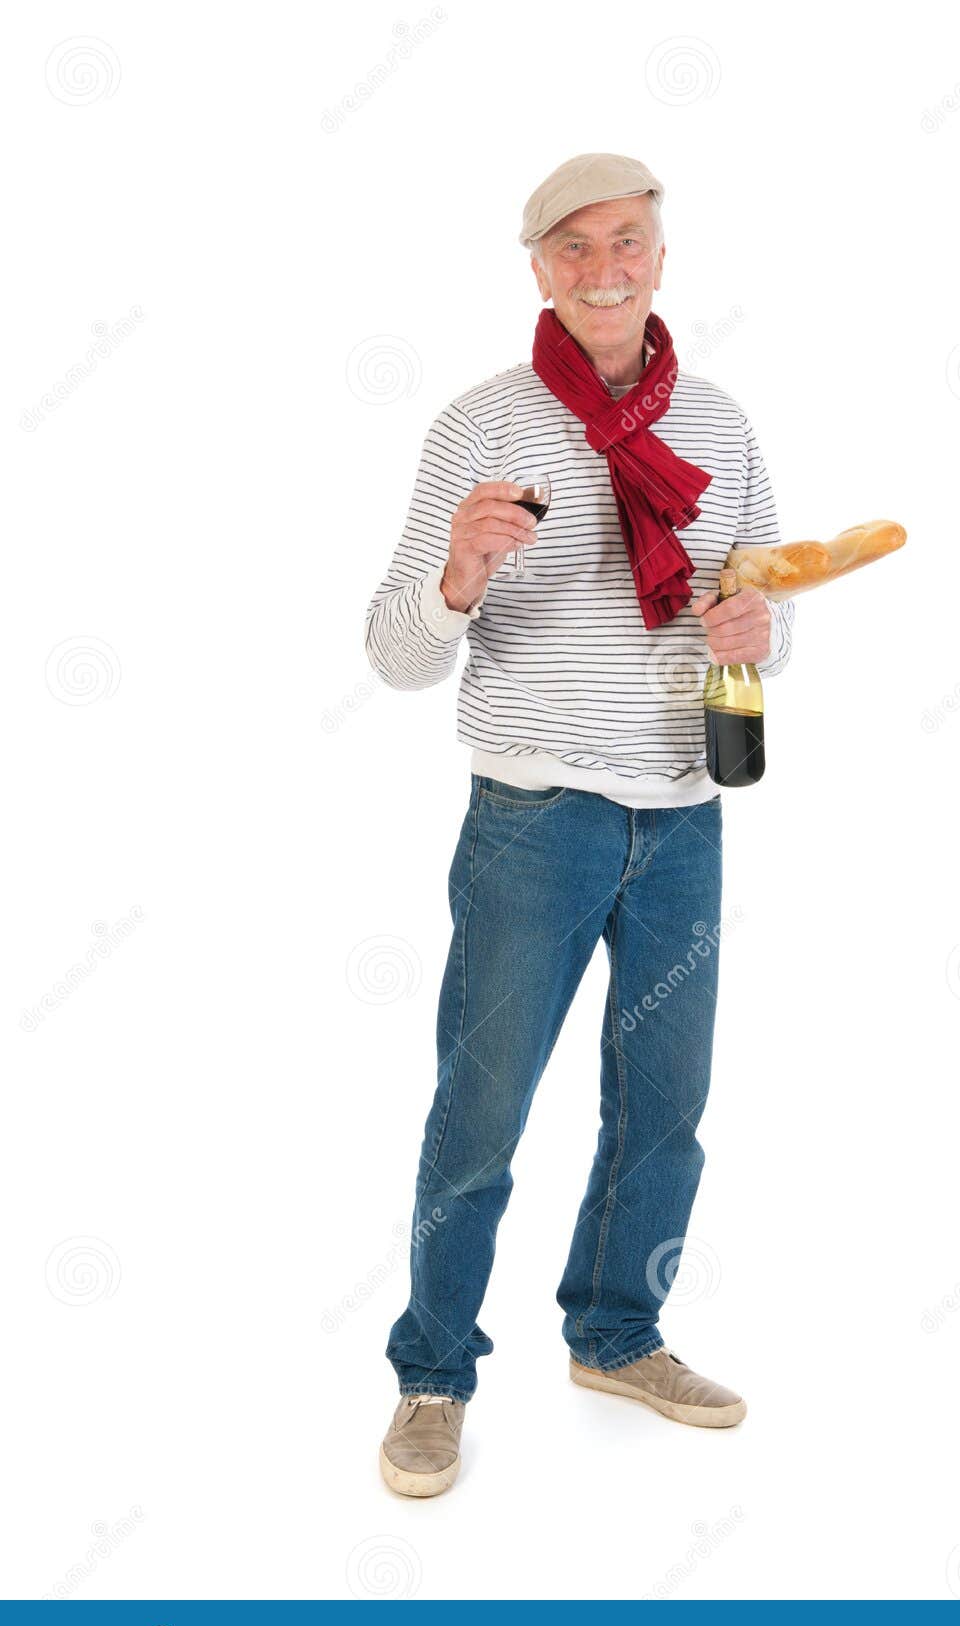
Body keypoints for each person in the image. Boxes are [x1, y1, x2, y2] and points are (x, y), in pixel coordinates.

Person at [364, 153, 795, 1497]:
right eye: (571, 246)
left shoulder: (719, 426)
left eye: (626, 240)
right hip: (532, 818)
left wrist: (762, 630)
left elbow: (772, 615)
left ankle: (618, 1334)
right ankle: (434, 1372)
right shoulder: (478, 429)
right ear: (537, 267)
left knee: (665, 1107)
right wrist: (457, 576)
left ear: (660, 258)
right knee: (481, 1109)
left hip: (683, 820)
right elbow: (393, 652)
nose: (602, 265)